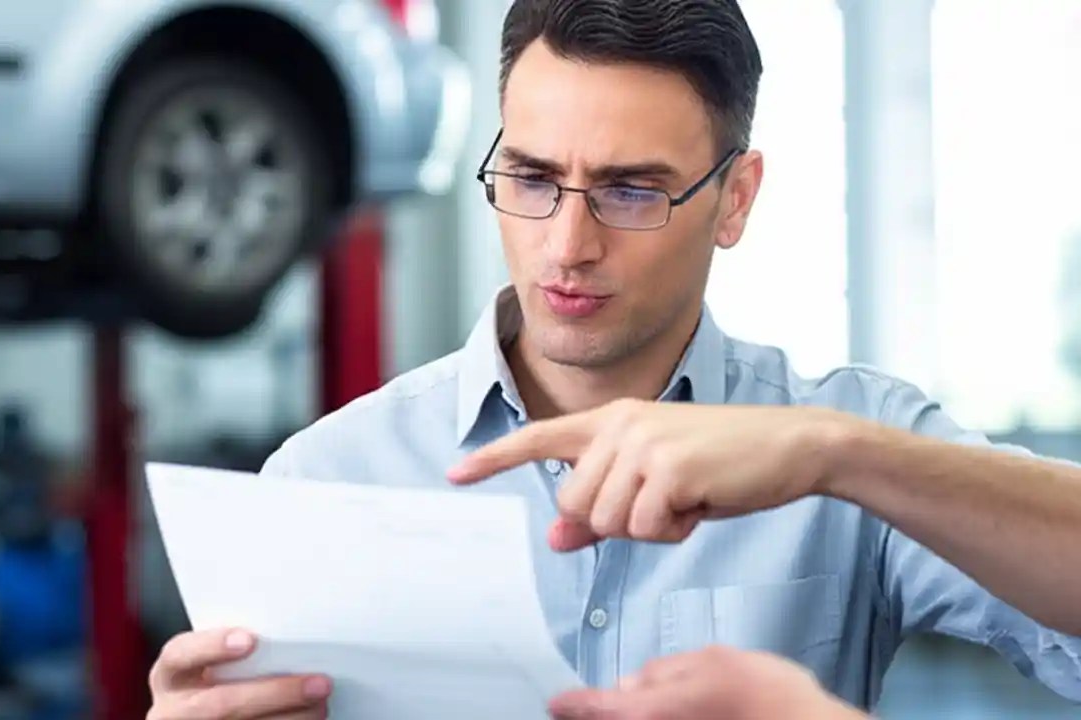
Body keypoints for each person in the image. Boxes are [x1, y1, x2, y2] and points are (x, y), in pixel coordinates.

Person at [145, 1, 1081, 718]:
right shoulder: (323, 482)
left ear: (736, 199)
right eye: (534, 178)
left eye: (632, 190)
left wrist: (839, 458)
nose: (568, 244)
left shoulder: (852, 450)